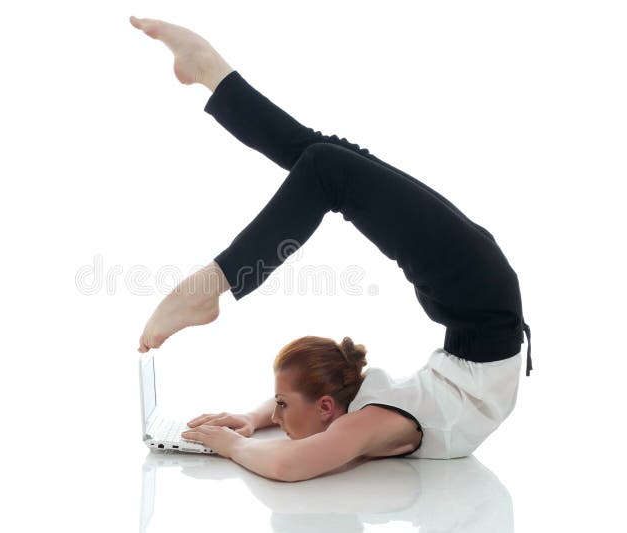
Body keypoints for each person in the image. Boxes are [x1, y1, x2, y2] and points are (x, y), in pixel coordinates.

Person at [129, 16, 532, 480]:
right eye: (278, 406)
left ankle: (212, 75)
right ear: (326, 408)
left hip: (478, 302)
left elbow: (294, 437)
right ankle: (209, 286)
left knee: (325, 162)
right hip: (479, 298)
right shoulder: (374, 422)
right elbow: (288, 462)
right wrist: (238, 441)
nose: (275, 416)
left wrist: (244, 427)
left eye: (279, 406)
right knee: (328, 167)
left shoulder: (361, 412)